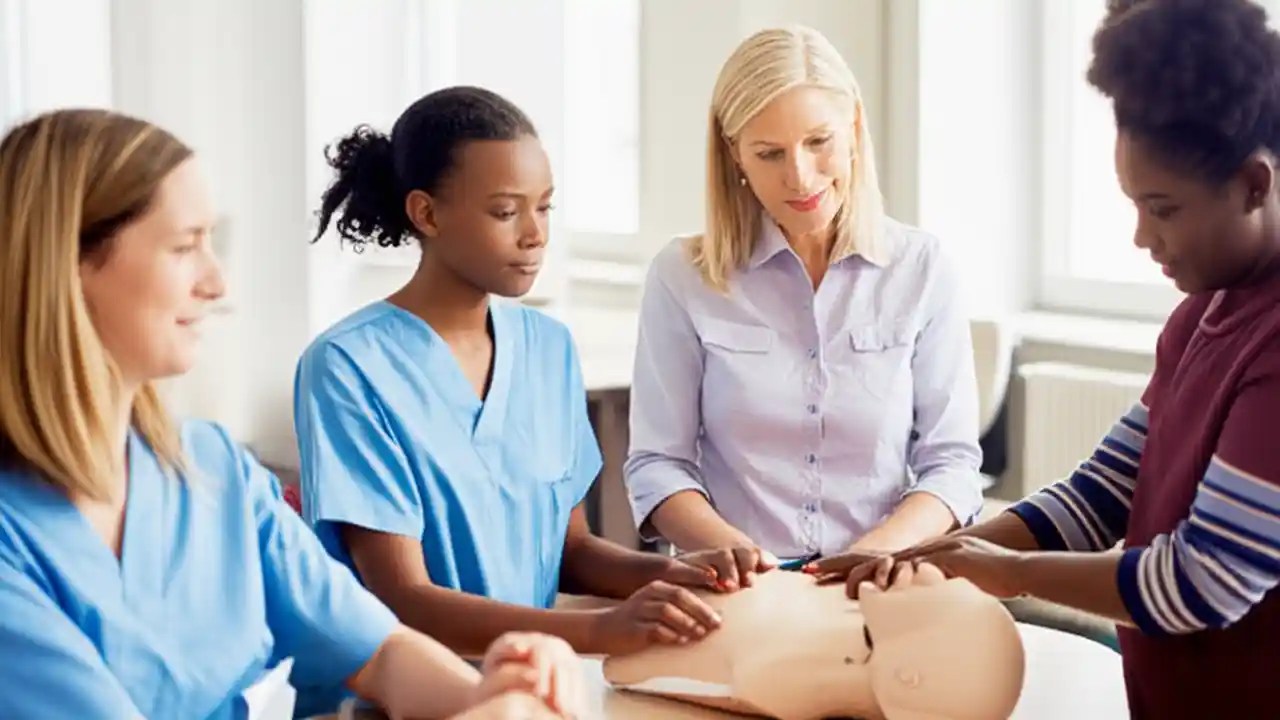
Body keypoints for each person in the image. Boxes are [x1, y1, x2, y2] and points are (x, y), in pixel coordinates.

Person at [0, 108, 585, 720]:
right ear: (67, 268)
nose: (216, 283)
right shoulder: (17, 533)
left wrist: (493, 692)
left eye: (212, 242)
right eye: (183, 247)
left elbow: (377, 651)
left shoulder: (212, 469)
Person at [813, 0, 1280, 717]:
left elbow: (1206, 579)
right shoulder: (1200, 318)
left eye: (1163, 209)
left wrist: (1011, 572)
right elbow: (1099, 495)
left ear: (1255, 184)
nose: (1141, 238)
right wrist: (929, 558)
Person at [293, 86, 734, 668]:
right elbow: (401, 598)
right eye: (506, 211)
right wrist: (600, 630)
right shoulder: (348, 366)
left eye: (544, 207)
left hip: (527, 687)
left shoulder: (548, 349)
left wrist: (679, 574)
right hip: (407, 696)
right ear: (426, 213)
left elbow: (570, 550)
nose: (535, 234)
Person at [624, 24, 984, 585]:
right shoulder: (682, 277)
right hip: (735, 589)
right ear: (733, 154)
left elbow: (954, 467)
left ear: (854, 129)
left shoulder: (923, 268)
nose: (800, 177)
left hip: (882, 586)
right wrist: (738, 557)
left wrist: (874, 554)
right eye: (769, 154)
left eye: (819, 142)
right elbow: (657, 466)